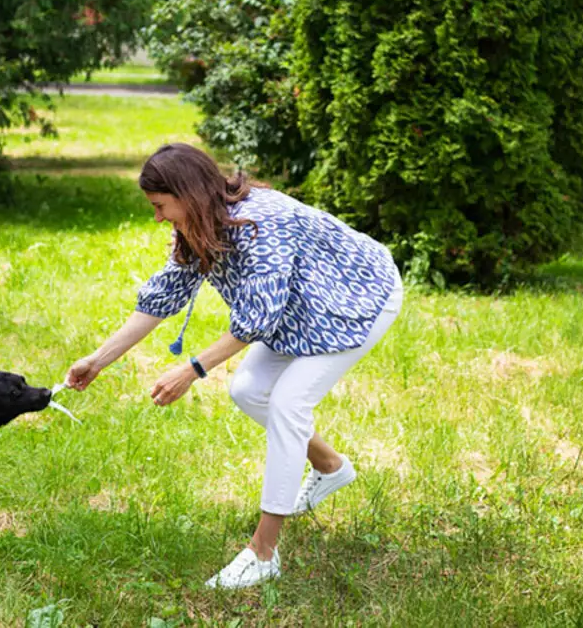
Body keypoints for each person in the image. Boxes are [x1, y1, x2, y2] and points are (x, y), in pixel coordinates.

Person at [64, 143, 403, 589]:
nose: (159, 218)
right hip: (298, 309)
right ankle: (330, 467)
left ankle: (263, 553)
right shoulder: (198, 224)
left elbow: (256, 321)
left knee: (287, 404)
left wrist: (191, 370)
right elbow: (162, 298)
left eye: (161, 206)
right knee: (248, 390)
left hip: (356, 299)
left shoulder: (263, 224)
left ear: (186, 193)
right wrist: (98, 360)